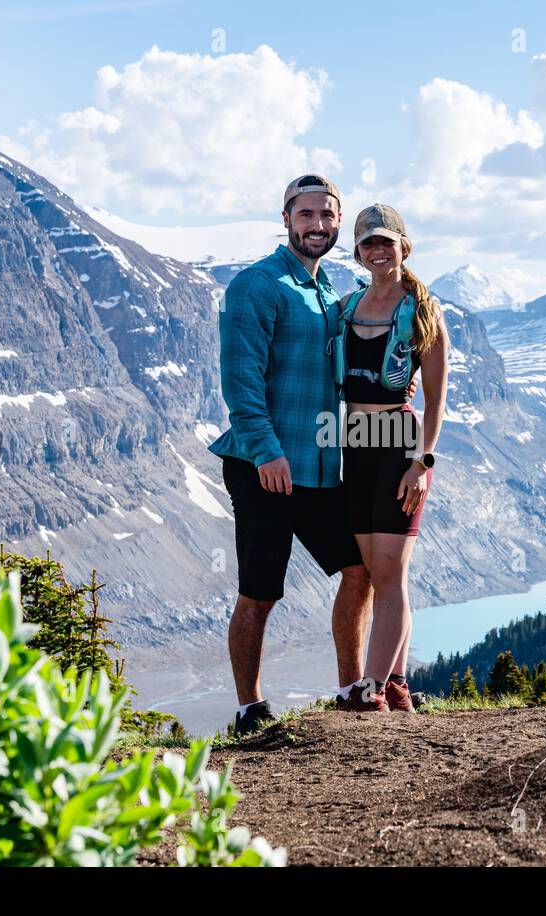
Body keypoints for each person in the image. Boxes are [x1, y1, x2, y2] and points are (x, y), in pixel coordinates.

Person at [208, 174, 373, 735]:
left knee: (360, 568)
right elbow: (241, 381)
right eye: (306, 215)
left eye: (328, 216)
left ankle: (352, 690)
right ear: (286, 219)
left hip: (322, 464)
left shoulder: (331, 290)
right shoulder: (255, 286)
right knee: (260, 590)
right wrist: (266, 452)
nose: (318, 226)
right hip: (265, 465)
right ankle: (249, 708)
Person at [333, 204, 448, 712]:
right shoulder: (345, 308)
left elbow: (437, 398)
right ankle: (397, 683)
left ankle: (371, 689)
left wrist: (422, 463)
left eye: (387, 242)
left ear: (404, 247)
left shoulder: (422, 312)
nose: (378, 250)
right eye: (367, 243)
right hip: (355, 443)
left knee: (391, 573)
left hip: (399, 446)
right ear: (357, 252)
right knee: (373, 573)